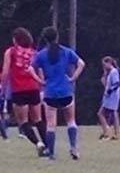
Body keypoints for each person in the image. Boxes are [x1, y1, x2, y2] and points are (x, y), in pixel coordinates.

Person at [32, 27, 87, 160]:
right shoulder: (66, 51)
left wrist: (40, 81)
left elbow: (30, 69)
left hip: (50, 93)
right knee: (71, 121)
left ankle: (51, 154)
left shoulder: (41, 55)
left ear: (45, 39)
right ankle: (73, 148)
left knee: (51, 124)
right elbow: (81, 63)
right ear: (57, 37)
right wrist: (73, 78)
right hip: (66, 91)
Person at [1, 27, 48, 156]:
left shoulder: (10, 52)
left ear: (16, 40)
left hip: (19, 89)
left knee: (23, 122)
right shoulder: (34, 53)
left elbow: (5, 72)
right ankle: (48, 145)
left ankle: (39, 144)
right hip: (34, 88)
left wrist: (2, 87)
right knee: (38, 119)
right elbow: (40, 72)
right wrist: (42, 85)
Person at [97, 56, 120, 141]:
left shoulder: (114, 72)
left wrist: (110, 90)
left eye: (105, 64)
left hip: (112, 96)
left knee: (101, 113)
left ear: (109, 63)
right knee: (111, 113)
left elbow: (116, 83)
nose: (104, 67)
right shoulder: (109, 73)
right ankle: (112, 133)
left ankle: (107, 132)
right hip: (109, 96)